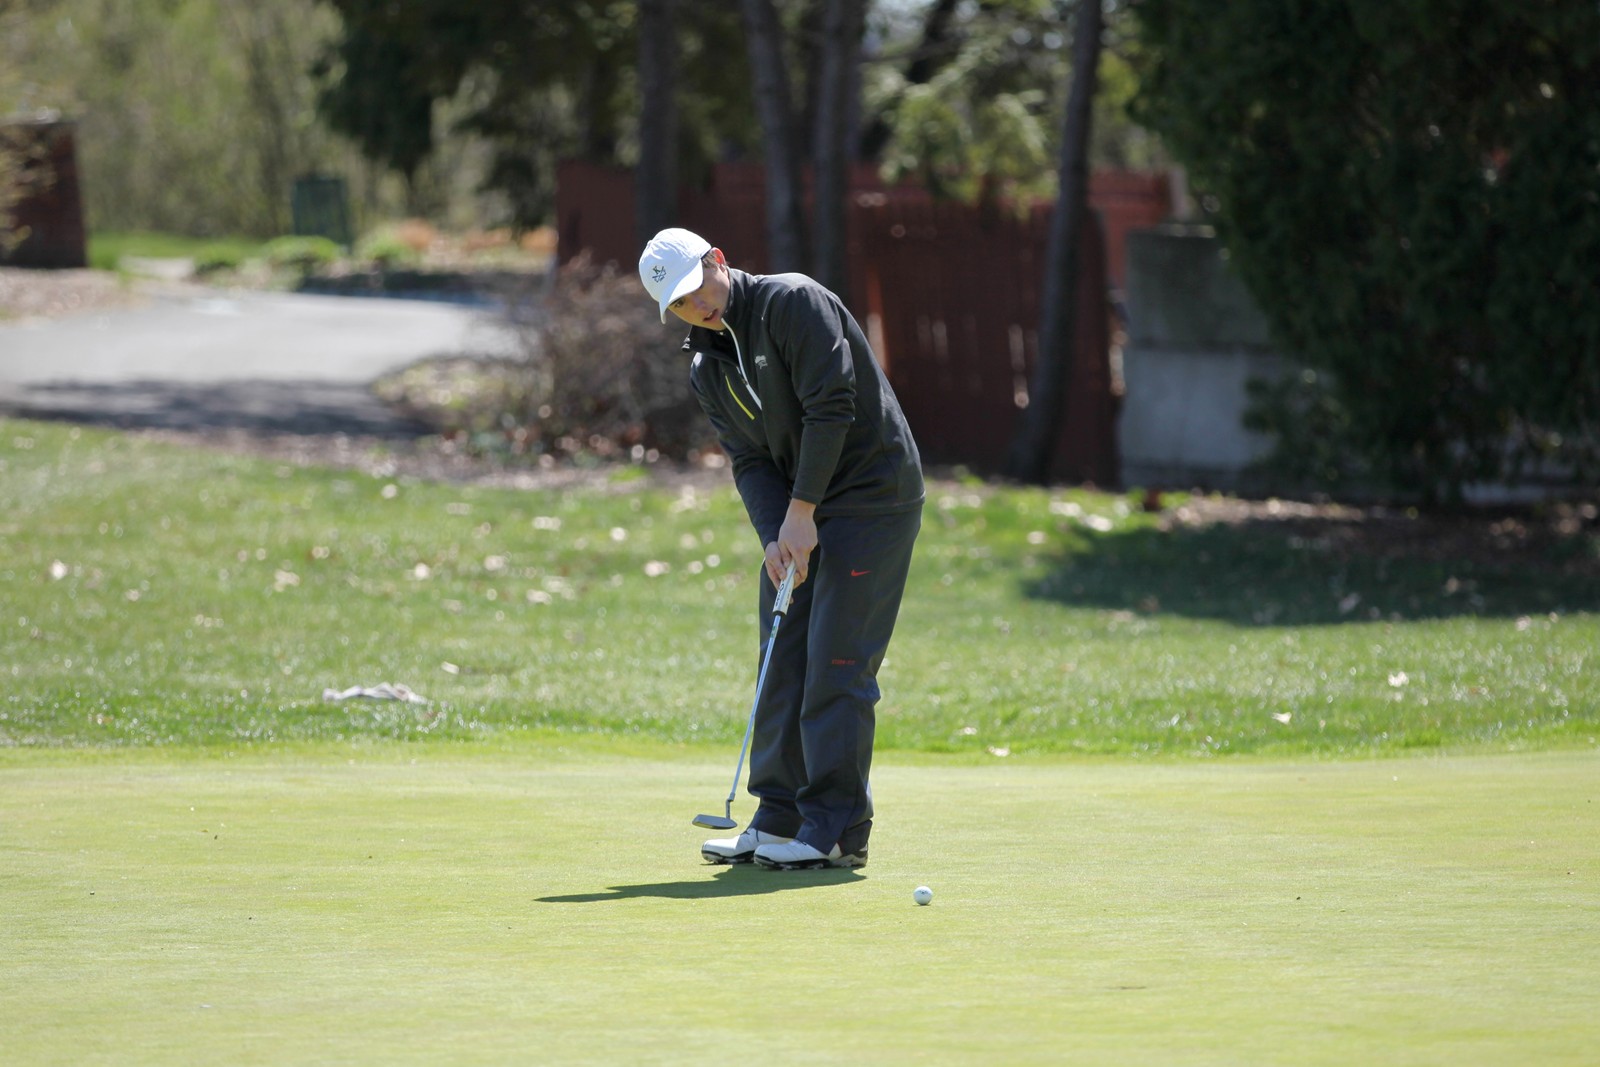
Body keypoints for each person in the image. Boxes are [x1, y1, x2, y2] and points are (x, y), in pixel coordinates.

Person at [638, 227, 924, 870]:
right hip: (802, 508)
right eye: (679, 304)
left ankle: (835, 828)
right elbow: (747, 457)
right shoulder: (707, 365)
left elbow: (832, 407)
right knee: (782, 654)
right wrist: (775, 534)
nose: (696, 307)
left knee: (836, 664)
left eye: (696, 289)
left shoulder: (793, 303)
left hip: (871, 496)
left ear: (719, 260)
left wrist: (802, 512)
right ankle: (778, 816)